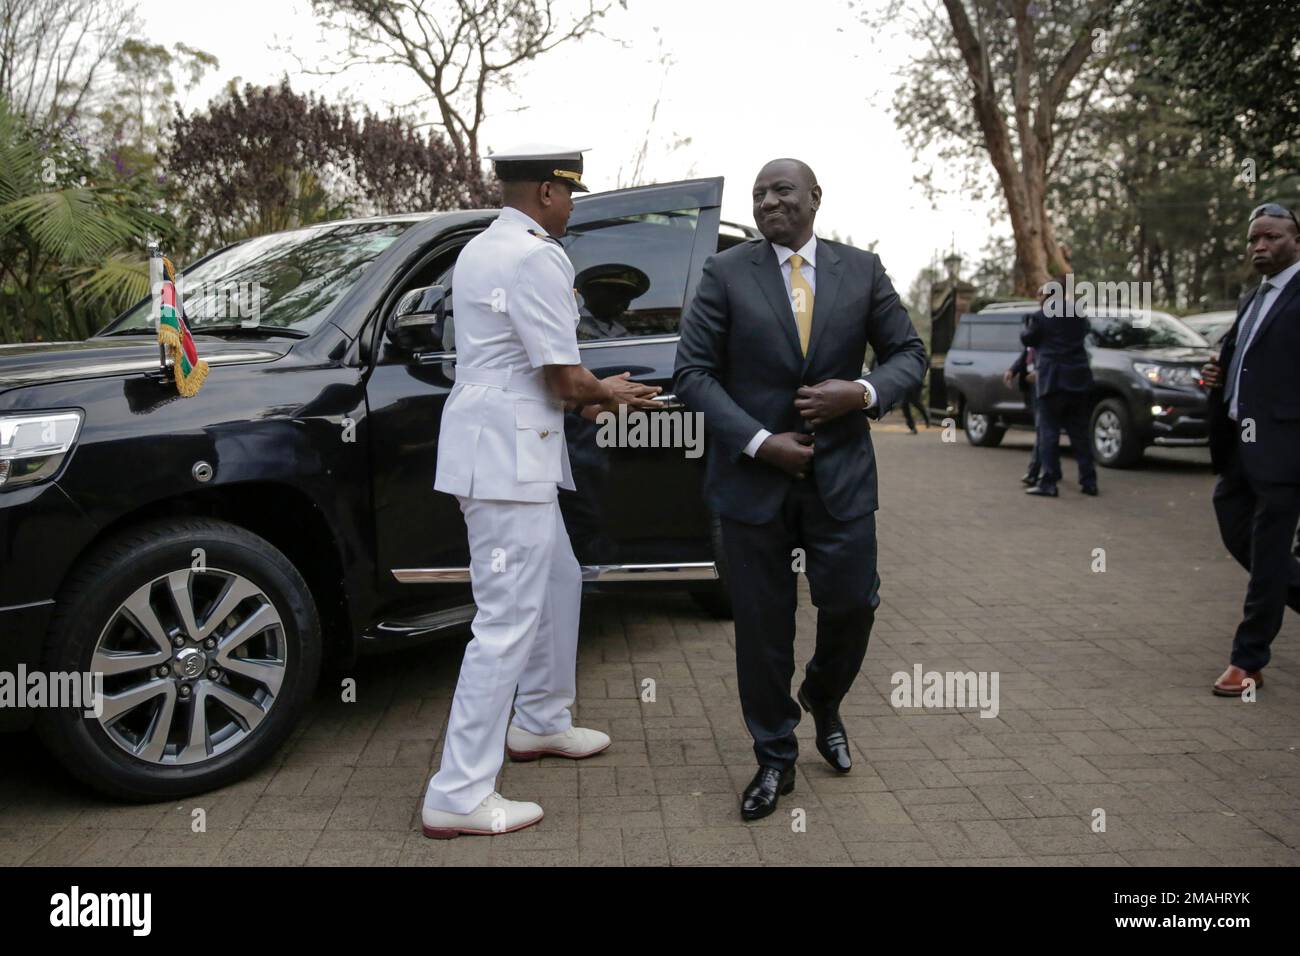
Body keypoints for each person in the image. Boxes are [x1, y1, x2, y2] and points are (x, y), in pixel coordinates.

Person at [674, 158, 926, 821]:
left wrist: (861, 392)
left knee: (852, 605)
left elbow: (910, 355)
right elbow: (693, 373)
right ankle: (774, 756)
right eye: (758, 194)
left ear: (815, 197)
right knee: (762, 631)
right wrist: (761, 442)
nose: (768, 201)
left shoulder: (861, 270)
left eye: (781, 190)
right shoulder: (725, 274)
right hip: (752, 486)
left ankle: (824, 695)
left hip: (841, 484)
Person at [421, 144, 661, 838]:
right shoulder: (535, 256)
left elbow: (519, 367)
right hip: (508, 462)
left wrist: (589, 401)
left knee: (558, 580)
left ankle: (540, 722)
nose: (573, 209)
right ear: (550, 192)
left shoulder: (483, 247)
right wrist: (606, 394)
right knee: (504, 623)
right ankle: (459, 792)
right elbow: (562, 376)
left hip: (505, 448)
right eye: (570, 195)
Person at [1201, 201, 1300, 697]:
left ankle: (1248, 660)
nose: (1260, 246)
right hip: (1240, 443)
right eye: (1253, 238)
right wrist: (1217, 378)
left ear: (1295, 241)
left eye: (1272, 237)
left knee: (1268, 551)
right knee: (1237, 529)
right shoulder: (1252, 297)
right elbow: (1240, 362)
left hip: (1285, 446)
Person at [1021, 275, 1098, 497]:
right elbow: (1085, 333)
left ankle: (1049, 482)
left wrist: (1028, 326)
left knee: (1049, 433)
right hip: (1078, 379)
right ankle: (1089, 481)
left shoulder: (1042, 315)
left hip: (1052, 381)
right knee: (1080, 434)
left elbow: (1028, 339)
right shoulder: (1078, 313)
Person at [1003, 331, 1041, 485]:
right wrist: (1012, 370)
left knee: (1045, 432)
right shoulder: (1037, 330)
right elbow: (1026, 354)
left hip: (1048, 386)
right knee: (1044, 432)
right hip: (1034, 388)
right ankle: (1048, 472)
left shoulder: (1052, 328)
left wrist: (1040, 372)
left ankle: (1036, 472)